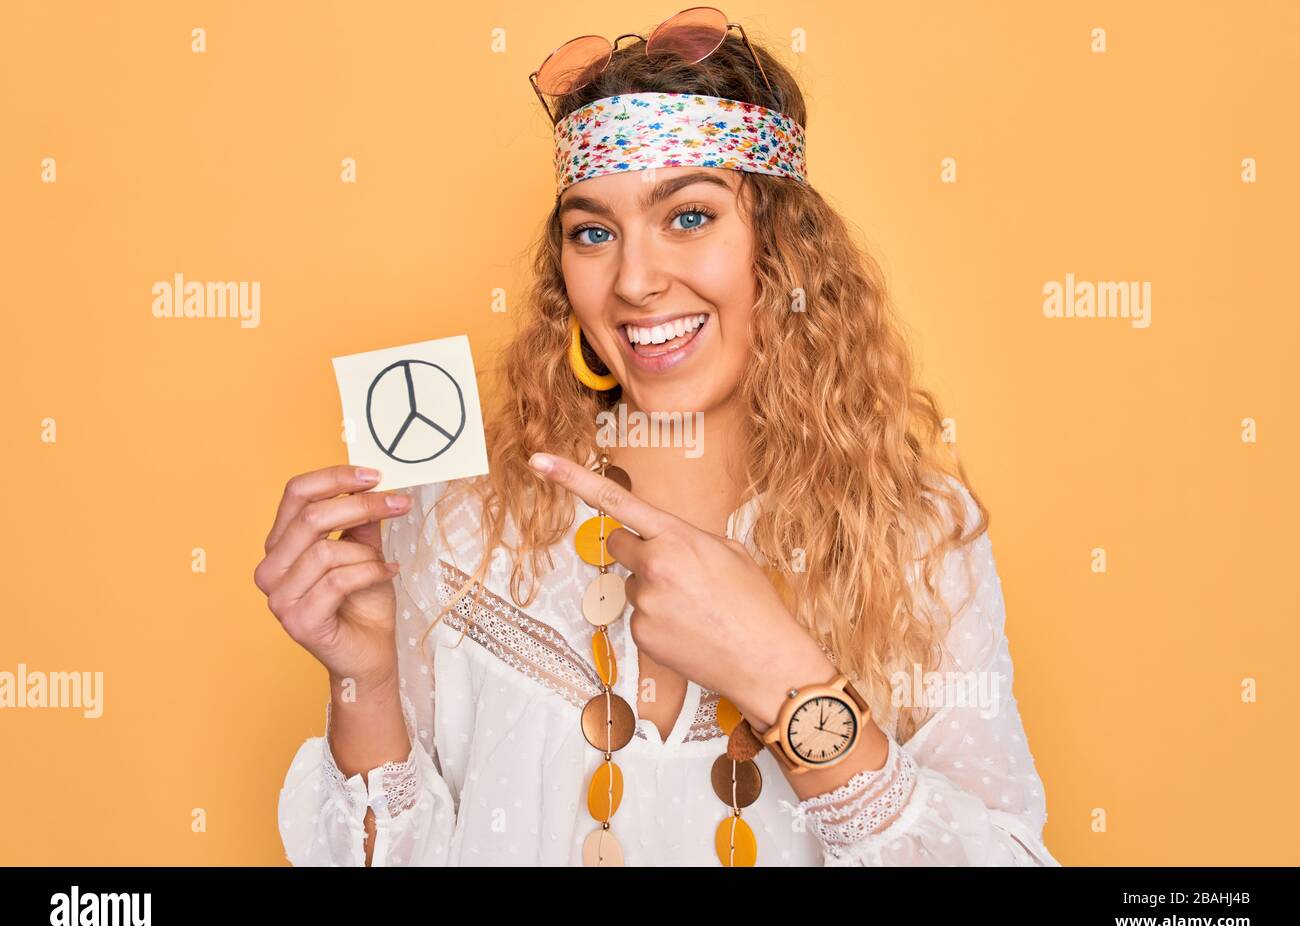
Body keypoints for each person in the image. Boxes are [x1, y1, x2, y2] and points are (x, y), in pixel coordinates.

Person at [257, 9, 1060, 867]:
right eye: (593, 232)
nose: (636, 281)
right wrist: (365, 683)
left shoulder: (914, 535)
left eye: (689, 218)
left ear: (781, 251)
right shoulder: (460, 528)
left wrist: (780, 679)